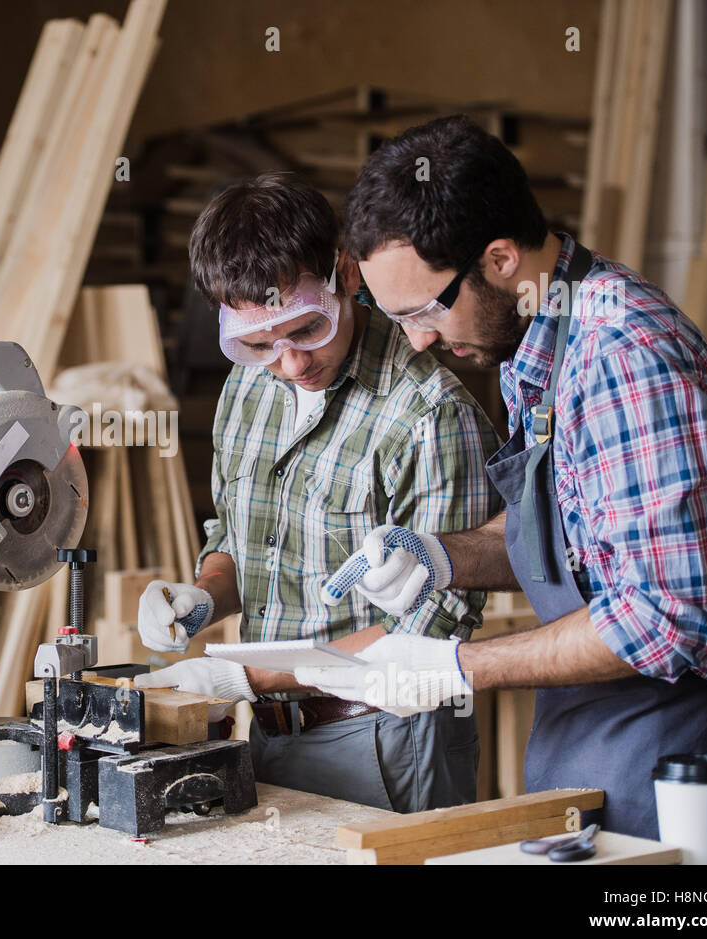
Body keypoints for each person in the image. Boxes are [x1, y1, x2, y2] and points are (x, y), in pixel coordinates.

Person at [306, 115, 707, 861]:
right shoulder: (540, 341)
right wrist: (437, 554)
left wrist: (459, 666)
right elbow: (566, 541)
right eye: (396, 318)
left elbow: (666, 617)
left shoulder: (625, 355)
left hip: (678, 775)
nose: (422, 339)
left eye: (428, 308)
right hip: (591, 763)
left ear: (499, 258)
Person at [135, 172, 502, 812]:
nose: (290, 364)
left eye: (307, 330)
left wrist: (236, 676)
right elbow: (236, 541)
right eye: (257, 343)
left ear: (346, 275)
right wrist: (202, 595)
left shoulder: (428, 417)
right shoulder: (248, 389)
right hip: (268, 735)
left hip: (383, 736)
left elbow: (423, 640)